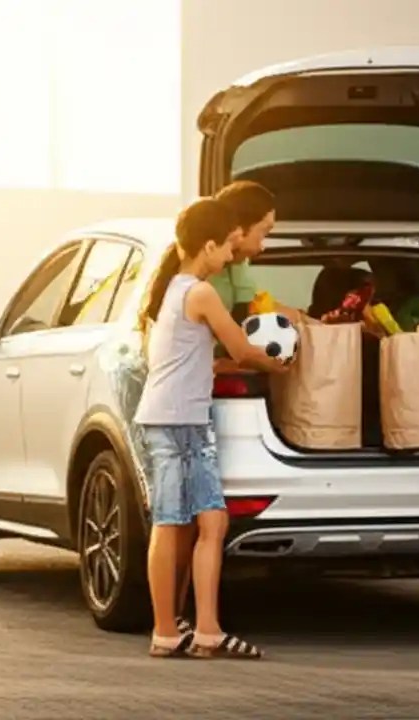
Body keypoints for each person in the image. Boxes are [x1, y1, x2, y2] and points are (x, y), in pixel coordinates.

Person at [134, 198, 289, 659]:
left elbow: (199, 356)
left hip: (174, 417)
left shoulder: (171, 290)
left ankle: (197, 631)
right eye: (226, 246)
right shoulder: (199, 293)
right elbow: (243, 351)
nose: (230, 254)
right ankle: (182, 631)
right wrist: (280, 364)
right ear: (207, 245)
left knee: (200, 520)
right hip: (181, 421)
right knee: (183, 522)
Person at [210, 180, 277, 323]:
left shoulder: (235, 266)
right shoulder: (204, 283)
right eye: (263, 232)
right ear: (240, 228)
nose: (262, 247)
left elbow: (253, 307)